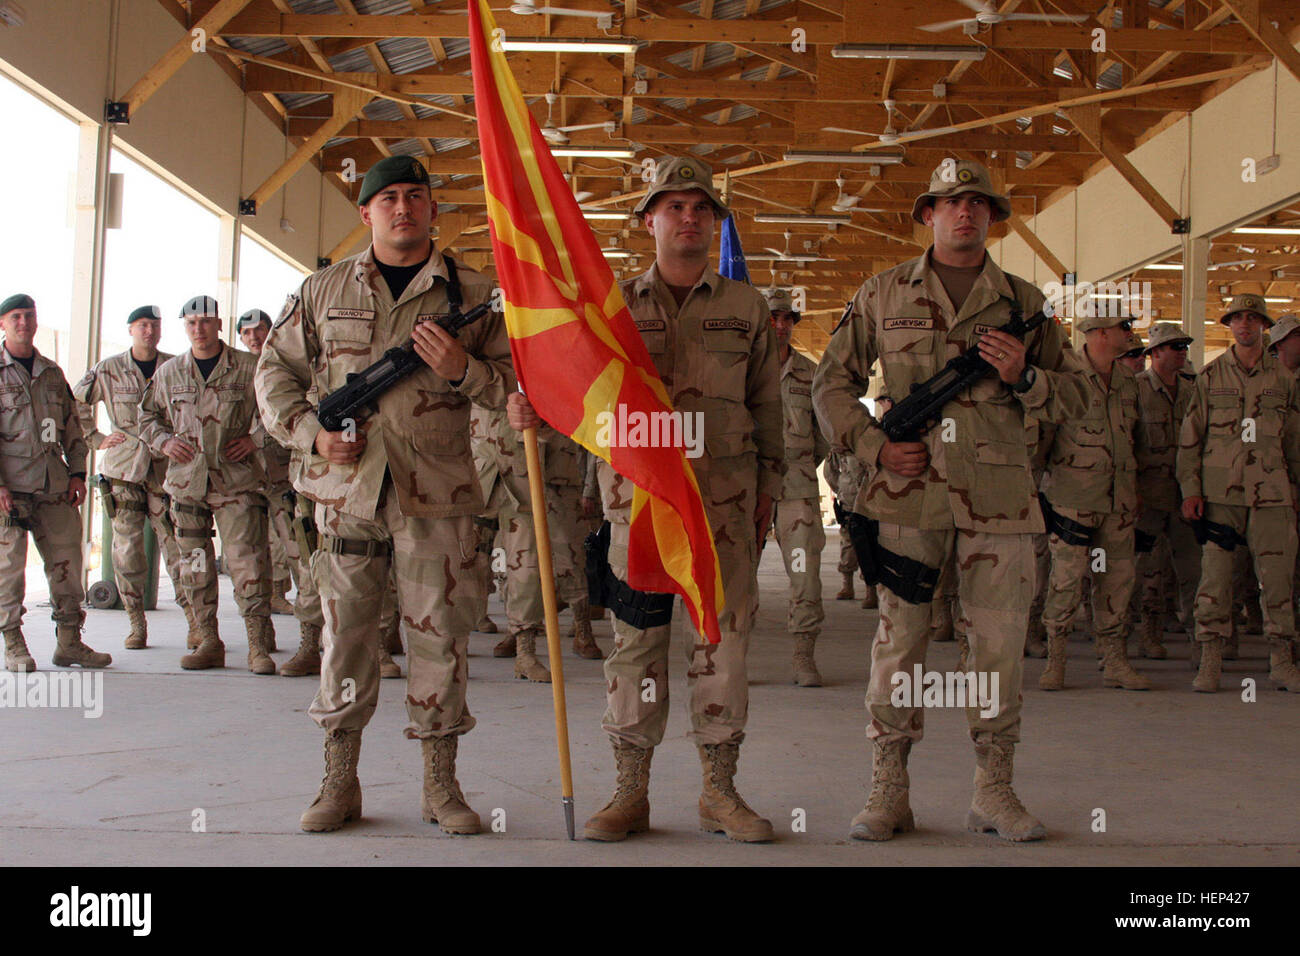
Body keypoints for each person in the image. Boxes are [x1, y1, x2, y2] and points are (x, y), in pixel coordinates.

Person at [509, 155, 783, 843]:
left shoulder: (747, 307)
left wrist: (772, 483)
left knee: (721, 647)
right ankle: (630, 791)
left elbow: (768, 406)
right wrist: (531, 406)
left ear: (715, 222)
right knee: (635, 650)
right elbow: (572, 392)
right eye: (674, 206)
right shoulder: (611, 308)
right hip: (637, 513)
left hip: (721, 509)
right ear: (649, 221)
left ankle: (719, 792)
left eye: (701, 207)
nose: (688, 217)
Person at [813, 159, 1089, 843]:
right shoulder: (881, 293)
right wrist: (874, 447)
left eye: (977, 203)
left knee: (995, 649)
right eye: (949, 202)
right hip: (908, 497)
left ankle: (993, 791)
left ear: (994, 217)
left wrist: (1025, 377)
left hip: (1000, 499)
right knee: (899, 646)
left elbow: (1082, 394)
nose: (964, 213)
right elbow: (829, 385)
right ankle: (889, 790)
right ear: (927, 214)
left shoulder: (1026, 305)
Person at [255, 154, 514, 833]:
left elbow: (522, 390)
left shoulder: (473, 294)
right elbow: (273, 374)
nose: (403, 208)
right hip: (346, 495)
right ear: (366, 213)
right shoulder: (322, 290)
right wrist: (311, 434)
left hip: (438, 498)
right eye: (388, 197)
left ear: (433, 209)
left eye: (416, 196)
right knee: (346, 642)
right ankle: (340, 781)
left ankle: (441, 785)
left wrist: (464, 371)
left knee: (441, 643)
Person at [137, 295, 276, 674]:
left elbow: (279, 410)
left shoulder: (248, 367)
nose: (199, 329)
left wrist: (255, 439)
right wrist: (164, 441)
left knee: (249, 564)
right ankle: (208, 640)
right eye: (191, 323)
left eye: (206, 321)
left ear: (218, 323)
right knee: (195, 566)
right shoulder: (169, 373)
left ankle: (258, 645)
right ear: (185, 327)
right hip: (187, 486)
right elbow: (146, 417)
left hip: (237, 483)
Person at [1178, 294, 1300, 693]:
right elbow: (1191, 439)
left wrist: (1295, 488)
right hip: (1221, 495)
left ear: (1264, 326)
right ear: (1229, 324)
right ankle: (1210, 661)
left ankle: (1281, 661)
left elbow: (1294, 440)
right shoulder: (1211, 377)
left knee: (1278, 580)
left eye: (1253, 318)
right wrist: (1191, 490)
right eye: (1238, 319)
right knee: (1214, 580)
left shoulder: (1283, 380)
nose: (1245, 325)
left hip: (1272, 494)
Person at [1036, 312, 1150, 692]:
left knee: (1116, 581)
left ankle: (1114, 660)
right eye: (1124, 328)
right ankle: (1056, 660)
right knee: (1066, 582)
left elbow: (1138, 441)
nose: (1129, 334)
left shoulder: (1128, 381)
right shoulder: (1064, 377)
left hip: (1117, 505)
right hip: (1073, 502)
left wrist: (1137, 491)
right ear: (1101, 333)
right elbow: (1041, 439)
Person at [0, 294, 109, 672]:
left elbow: (72, 428)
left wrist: (78, 472)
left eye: (29, 316)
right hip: (10, 493)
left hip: (54, 487)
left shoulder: (51, 372)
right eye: (16, 317)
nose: (24, 323)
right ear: (3, 324)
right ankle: (14, 644)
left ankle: (70, 643)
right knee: (8, 573)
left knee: (67, 566)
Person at [73, 304, 191, 649]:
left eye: (154, 326)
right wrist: (95, 438)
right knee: (127, 550)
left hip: (165, 471)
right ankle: (136, 623)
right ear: (130, 330)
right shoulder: (108, 369)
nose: (149, 332)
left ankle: (195, 622)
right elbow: (75, 403)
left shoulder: (174, 367)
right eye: (142, 325)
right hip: (124, 469)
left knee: (178, 547)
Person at [765, 287, 830, 686]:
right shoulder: (742, 370)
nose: (780, 325)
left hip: (797, 491)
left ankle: (804, 655)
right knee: (735, 577)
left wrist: (802, 467)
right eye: (773, 318)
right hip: (746, 488)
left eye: (787, 318)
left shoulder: (810, 373)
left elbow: (824, 435)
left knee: (805, 575)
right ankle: (728, 658)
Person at [1132, 323, 1200, 660]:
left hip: (1184, 496)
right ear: (1155, 353)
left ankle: (1198, 638)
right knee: (1148, 571)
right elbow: (1126, 443)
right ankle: (1147, 634)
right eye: (1175, 347)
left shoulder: (1191, 392)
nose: (1182, 352)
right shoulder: (1137, 390)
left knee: (1192, 570)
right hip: (1149, 497)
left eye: (1184, 346)